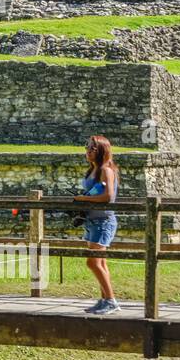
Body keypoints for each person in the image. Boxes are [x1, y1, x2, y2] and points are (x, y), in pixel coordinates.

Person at [73, 134, 120, 314]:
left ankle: (111, 300)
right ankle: (104, 300)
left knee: (92, 263)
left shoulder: (106, 170)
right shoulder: (92, 169)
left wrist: (82, 198)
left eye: (93, 148)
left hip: (103, 221)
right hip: (92, 221)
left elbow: (108, 197)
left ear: (102, 150)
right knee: (100, 263)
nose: (88, 151)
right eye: (87, 147)